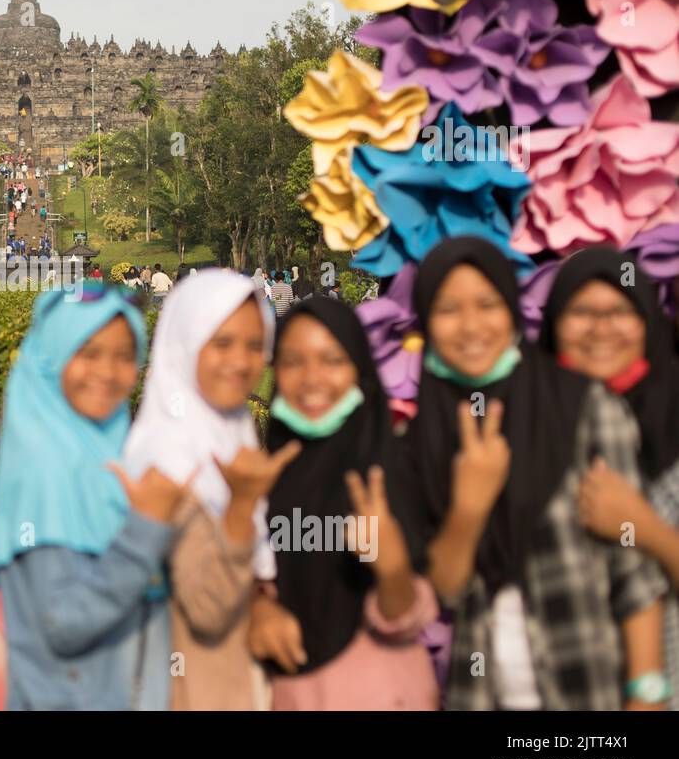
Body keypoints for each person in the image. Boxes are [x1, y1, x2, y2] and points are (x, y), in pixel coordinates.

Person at [399, 237, 666, 710]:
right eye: (448, 309)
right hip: (481, 693)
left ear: (512, 308)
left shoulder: (582, 406)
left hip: (585, 686)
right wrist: (468, 508)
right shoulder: (426, 435)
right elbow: (446, 586)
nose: (470, 326)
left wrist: (646, 695)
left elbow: (634, 573)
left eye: (487, 304)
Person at [0, 286, 180, 710]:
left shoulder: (105, 455)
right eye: (88, 353)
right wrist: (146, 529)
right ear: (52, 356)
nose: (108, 372)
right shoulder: (44, 474)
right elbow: (64, 622)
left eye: (125, 356)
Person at [249, 298, 438, 710]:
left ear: (359, 370)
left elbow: (410, 616)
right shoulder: (266, 474)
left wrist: (391, 569)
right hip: (290, 695)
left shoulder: (392, 469)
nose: (311, 378)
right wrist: (258, 606)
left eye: (332, 360)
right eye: (293, 361)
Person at [124, 270, 281, 710]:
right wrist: (243, 502)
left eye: (254, 345)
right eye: (222, 343)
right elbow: (208, 609)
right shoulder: (166, 460)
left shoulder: (229, 431)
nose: (241, 362)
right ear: (185, 344)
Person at [538, 247, 679, 708]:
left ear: (647, 322)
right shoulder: (525, 427)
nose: (601, 329)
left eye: (620, 310)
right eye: (581, 312)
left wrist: (647, 530)